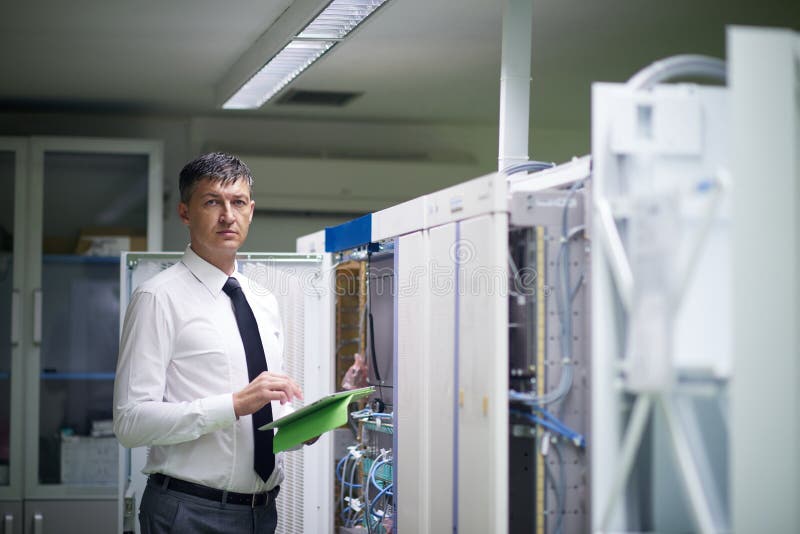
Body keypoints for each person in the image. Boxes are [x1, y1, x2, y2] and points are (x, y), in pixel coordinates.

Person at [113, 152, 304, 534]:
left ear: (251, 210)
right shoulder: (158, 298)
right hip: (188, 512)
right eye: (212, 201)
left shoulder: (263, 301)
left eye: (238, 202)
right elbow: (130, 422)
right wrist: (233, 405)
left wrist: (302, 427)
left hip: (262, 513)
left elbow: (263, 414)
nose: (227, 215)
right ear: (185, 213)